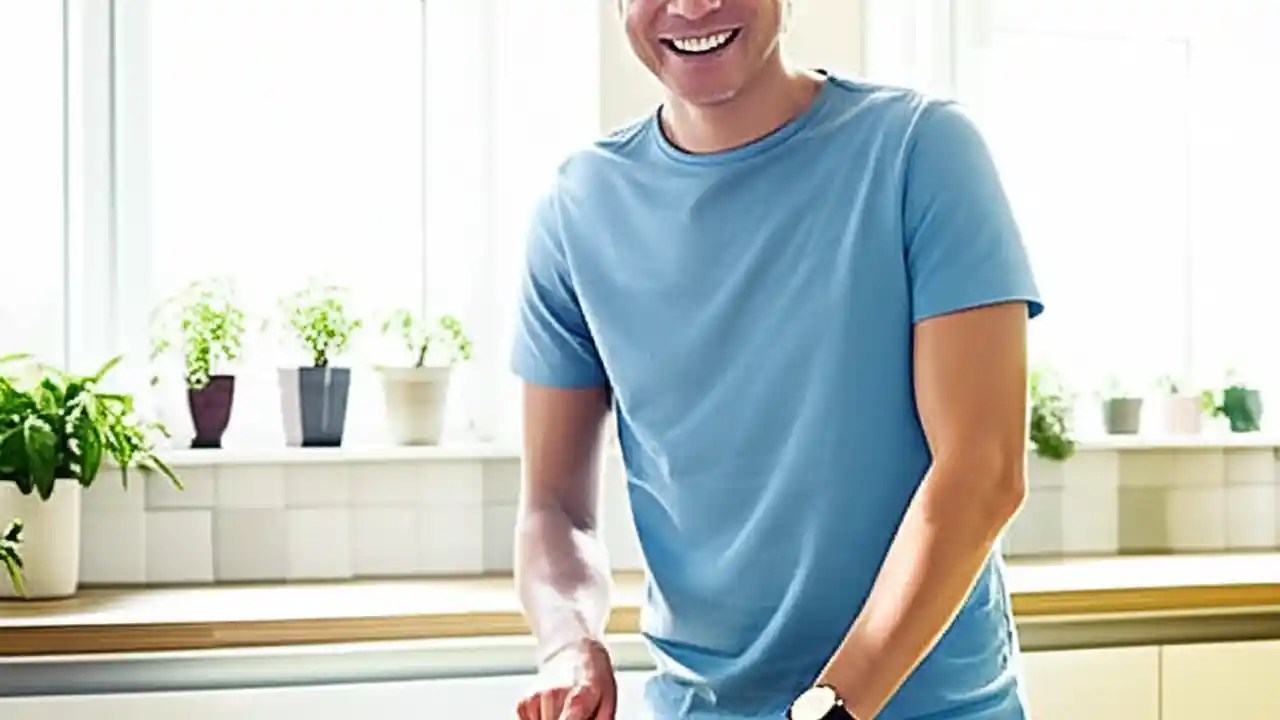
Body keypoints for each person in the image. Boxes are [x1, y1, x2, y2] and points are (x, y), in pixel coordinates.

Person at [510, 0, 1042, 717]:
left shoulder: (921, 151)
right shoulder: (578, 209)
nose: (694, 6)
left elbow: (983, 470)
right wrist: (567, 642)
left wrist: (832, 705)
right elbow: (554, 508)